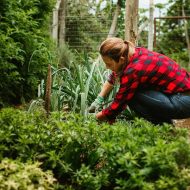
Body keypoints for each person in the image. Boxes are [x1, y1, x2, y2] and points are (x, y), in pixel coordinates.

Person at [88, 37, 190, 124]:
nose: (106, 67)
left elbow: (119, 104)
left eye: (109, 64)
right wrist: (99, 99)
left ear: (121, 59)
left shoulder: (134, 69)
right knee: (134, 92)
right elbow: (113, 77)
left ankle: (164, 126)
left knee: (132, 96)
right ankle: (166, 126)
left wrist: (94, 118)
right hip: (179, 96)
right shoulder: (132, 53)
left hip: (184, 101)